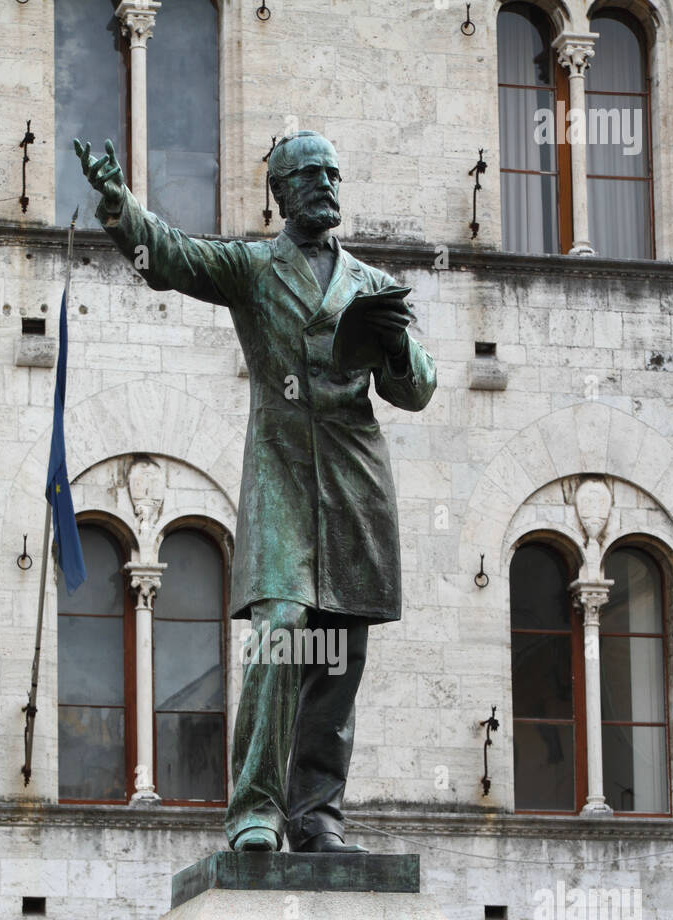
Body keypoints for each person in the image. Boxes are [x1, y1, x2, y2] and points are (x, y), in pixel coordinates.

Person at [75, 131, 437, 852]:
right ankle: (256, 811)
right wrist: (121, 209)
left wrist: (395, 344)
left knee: (340, 656)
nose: (327, 186)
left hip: (355, 483)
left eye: (333, 173)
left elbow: (417, 389)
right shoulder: (253, 269)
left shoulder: (370, 285)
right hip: (282, 477)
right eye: (310, 176)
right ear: (281, 193)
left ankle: (318, 814)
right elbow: (172, 260)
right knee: (281, 632)